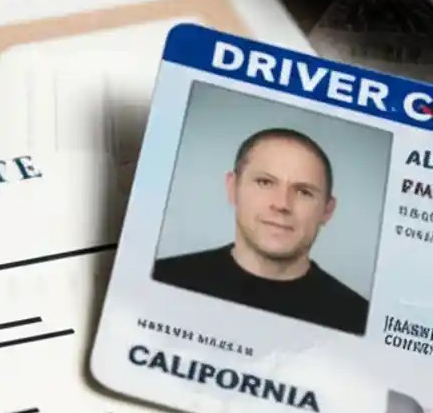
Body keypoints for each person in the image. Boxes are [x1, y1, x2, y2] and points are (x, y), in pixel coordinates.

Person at [153, 127, 369, 335]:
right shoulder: (160, 279)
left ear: (327, 210)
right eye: (265, 182)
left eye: (304, 192)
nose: (282, 204)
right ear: (232, 188)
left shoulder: (360, 320)